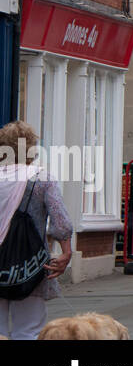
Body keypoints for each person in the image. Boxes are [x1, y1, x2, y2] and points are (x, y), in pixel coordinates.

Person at [0, 121, 73, 340]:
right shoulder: (41, 178)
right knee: (30, 330)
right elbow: (61, 222)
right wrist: (66, 252)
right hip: (29, 265)